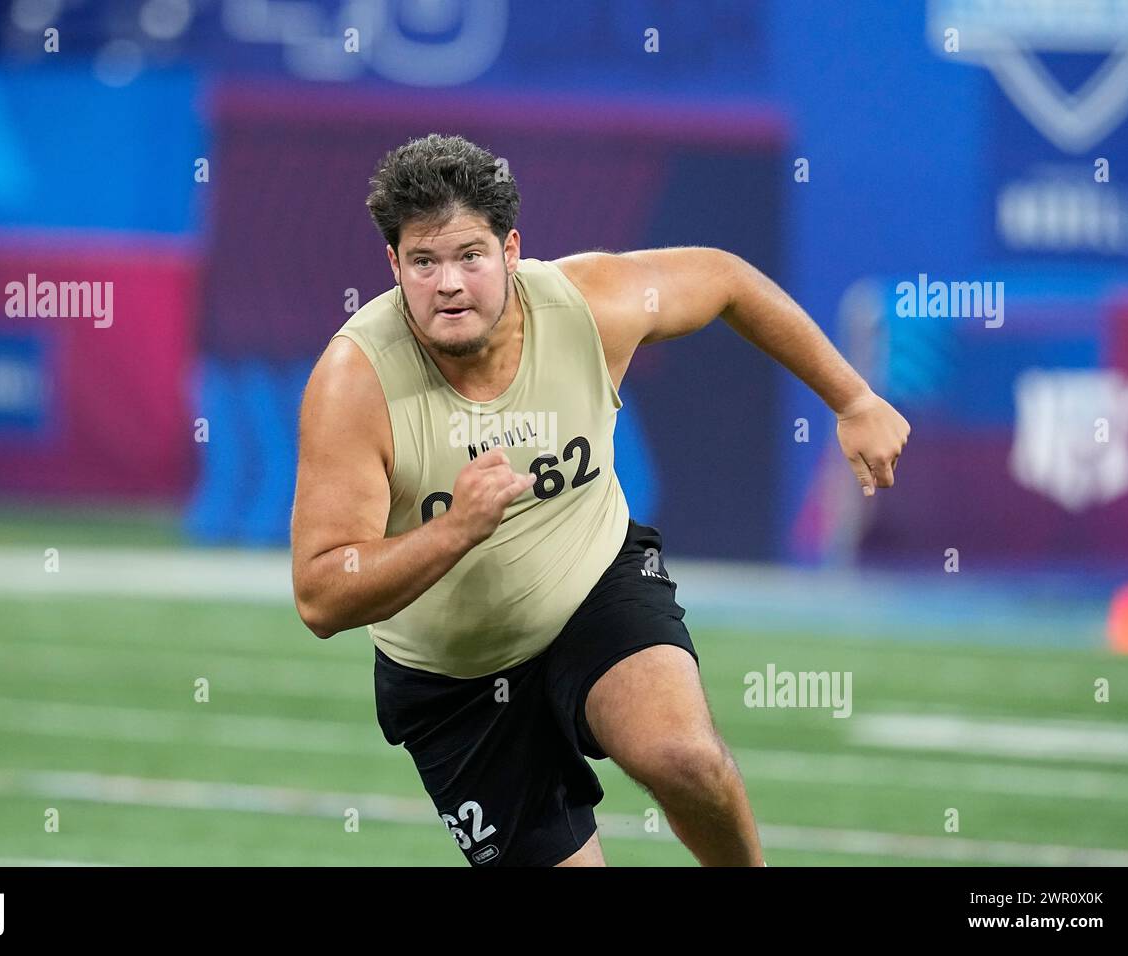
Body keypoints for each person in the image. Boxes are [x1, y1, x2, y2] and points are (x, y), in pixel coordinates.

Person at [290, 133, 909, 867]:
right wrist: (455, 531)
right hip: (451, 679)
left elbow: (725, 279)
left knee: (683, 758)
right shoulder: (353, 382)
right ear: (393, 267)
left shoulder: (589, 305)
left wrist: (853, 398)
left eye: (470, 256)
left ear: (511, 250)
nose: (448, 284)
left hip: (591, 590)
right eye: (423, 262)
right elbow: (323, 595)